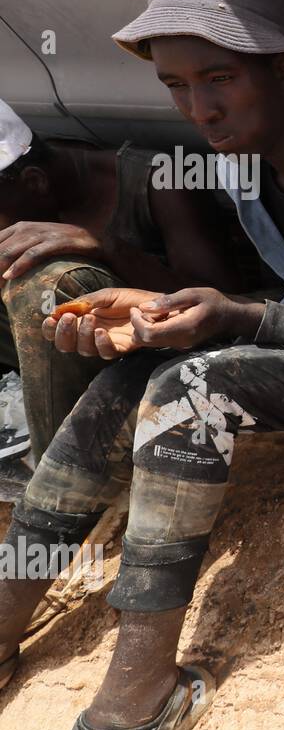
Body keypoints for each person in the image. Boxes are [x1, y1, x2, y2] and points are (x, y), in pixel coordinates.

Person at [0, 0, 284, 730]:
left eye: (218, 79)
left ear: (282, 68)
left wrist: (235, 318)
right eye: (175, 86)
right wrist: (147, 309)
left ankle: (132, 701)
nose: (197, 109)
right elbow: (248, 295)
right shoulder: (243, 171)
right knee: (124, 384)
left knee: (192, 390)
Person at [0, 99, 240, 462]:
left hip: (148, 357)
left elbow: (221, 311)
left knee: (45, 282)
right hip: (51, 354)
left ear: (35, 181)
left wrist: (107, 248)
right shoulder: (27, 189)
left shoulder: (156, 182)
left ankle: (64, 477)